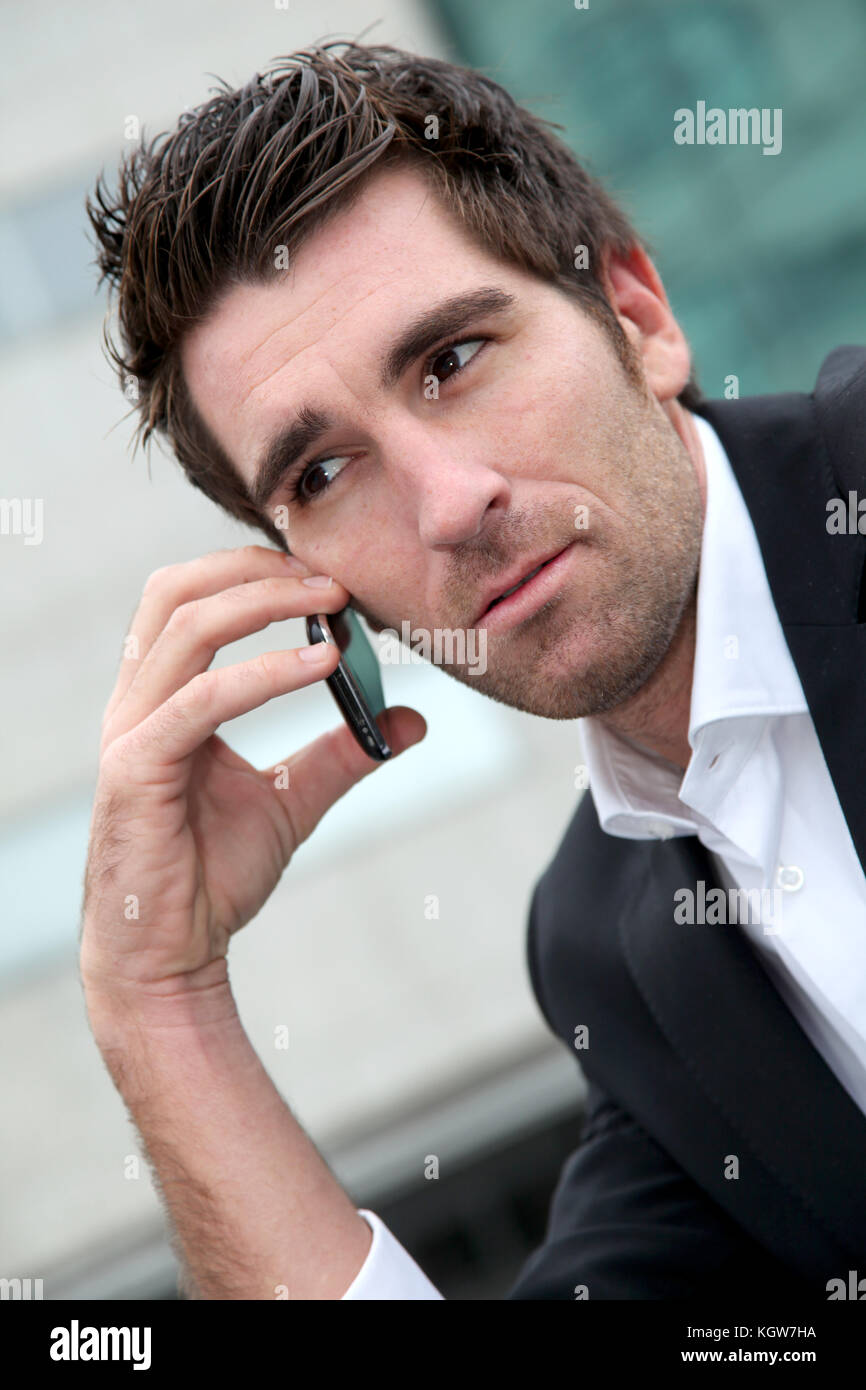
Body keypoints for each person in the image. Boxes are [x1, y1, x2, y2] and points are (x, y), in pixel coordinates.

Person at [81, 42, 866, 1299]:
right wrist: (157, 1006)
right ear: (309, 584)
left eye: (451, 360)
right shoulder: (604, 951)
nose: (448, 508)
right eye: (321, 474)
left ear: (638, 317)